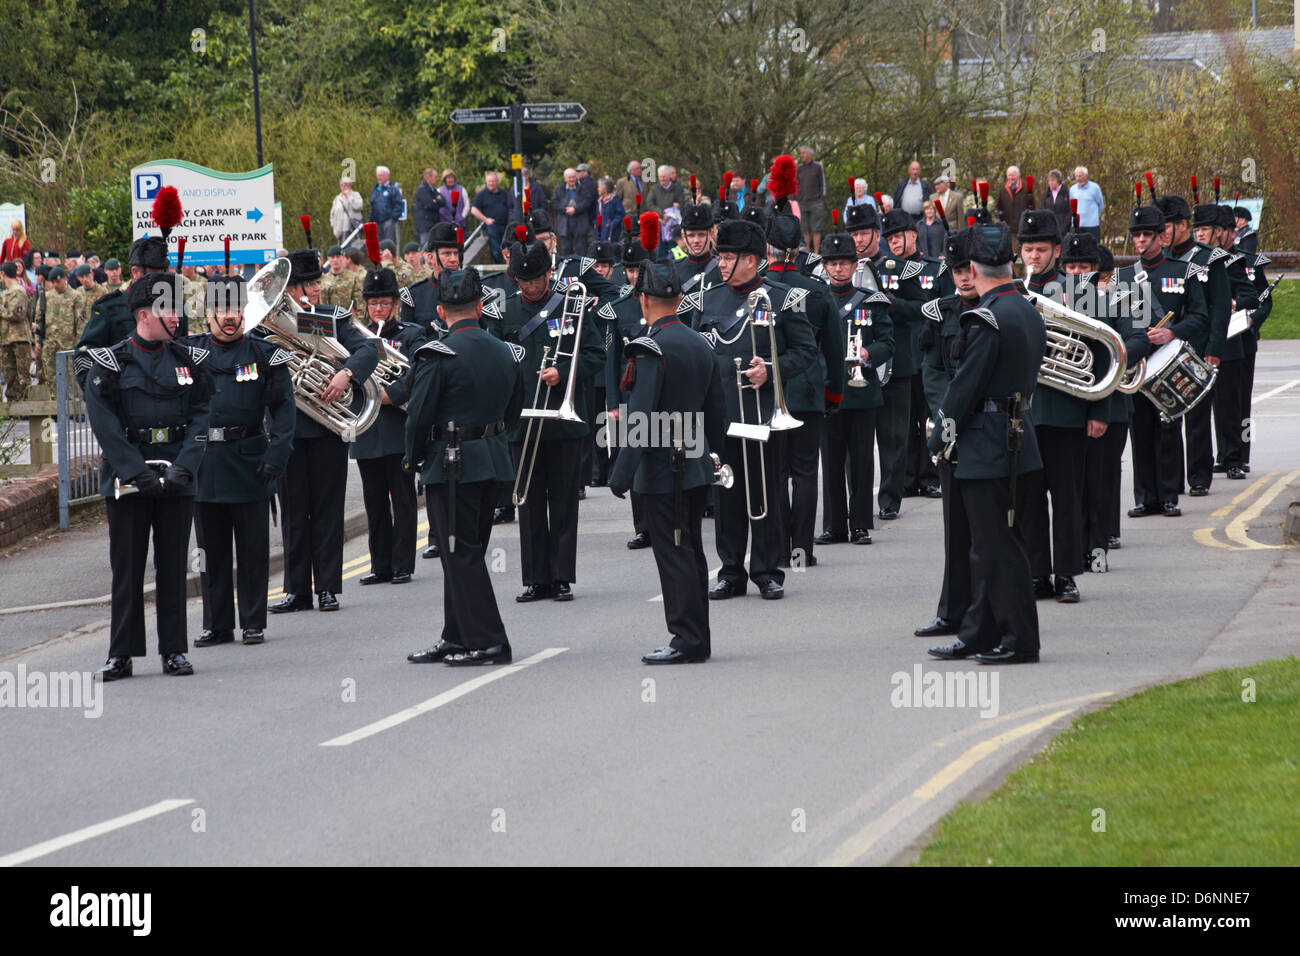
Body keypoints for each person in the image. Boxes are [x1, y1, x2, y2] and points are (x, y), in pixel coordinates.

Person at [81, 275, 212, 679]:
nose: (176, 316)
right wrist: (138, 474)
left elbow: (202, 415)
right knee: (127, 568)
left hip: (176, 474)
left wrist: (184, 466)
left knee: (173, 566)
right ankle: (121, 652)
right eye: (167, 309)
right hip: (129, 480)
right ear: (143, 315)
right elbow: (105, 427)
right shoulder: (110, 364)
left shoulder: (190, 360)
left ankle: (173, 649)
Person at [680, 218, 817, 601]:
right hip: (721, 413)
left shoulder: (783, 297)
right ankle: (730, 571)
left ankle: (767, 571)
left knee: (768, 491)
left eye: (728, 257)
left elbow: (806, 352)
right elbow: (696, 353)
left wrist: (771, 370)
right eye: (720, 256)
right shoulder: (705, 300)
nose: (720, 264)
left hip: (762, 411)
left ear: (752, 259)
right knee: (726, 491)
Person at [926, 222, 1043, 664]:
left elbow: (963, 389)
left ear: (973, 269)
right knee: (994, 545)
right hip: (1017, 438)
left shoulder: (985, 317)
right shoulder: (1026, 308)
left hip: (987, 446)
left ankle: (1019, 640)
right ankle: (980, 631)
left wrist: (940, 436)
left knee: (996, 548)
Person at [609, 259, 728, 664]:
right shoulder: (699, 343)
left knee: (674, 552)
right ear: (679, 299)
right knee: (691, 549)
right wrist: (713, 455)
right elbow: (717, 413)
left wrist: (621, 475)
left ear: (643, 301)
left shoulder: (651, 347)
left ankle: (685, 639)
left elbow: (640, 415)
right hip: (693, 462)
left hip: (663, 468)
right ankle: (697, 636)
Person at [404, 268, 525, 667]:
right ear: (478, 307)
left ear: (440, 310)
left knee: (460, 554)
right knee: (465, 552)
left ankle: (491, 641)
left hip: (453, 464)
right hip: (491, 460)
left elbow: (418, 417)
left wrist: (414, 457)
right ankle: (455, 635)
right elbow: (514, 409)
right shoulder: (504, 350)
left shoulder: (437, 354)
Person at [482, 229, 605, 602]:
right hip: (523, 421)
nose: (531, 287)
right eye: (524, 281)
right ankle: (536, 577)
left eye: (537, 279)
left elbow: (596, 355)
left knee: (564, 501)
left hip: (564, 420)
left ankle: (562, 576)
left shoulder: (572, 305)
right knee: (530, 502)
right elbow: (495, 363)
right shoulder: (504, 313)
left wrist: (564, 373)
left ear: (549, 274)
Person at [266, 239, 380, 614]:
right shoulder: (268, 325)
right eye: (308, 284)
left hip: (329, 430)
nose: (316, 289)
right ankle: (296, 590)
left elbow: (369, 349)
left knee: (328, 510)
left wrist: (346, 374)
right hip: (289, 430)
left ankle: (327, 587)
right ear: (290, 289)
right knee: (294, 511)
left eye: (316, 283)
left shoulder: (331, 315)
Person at [189, 268, 295, 647]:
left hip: (251, 462)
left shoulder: (266, 355)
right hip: (204, 465)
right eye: (222, 308)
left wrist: (277, 456)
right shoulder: (190, 354)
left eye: (236, 307)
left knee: (252, 551)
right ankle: (217, 624)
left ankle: (253, 621)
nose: (230, 316)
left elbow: (284, 410)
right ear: (209, 314)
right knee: (211, 553)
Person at [1017, 208, 1096, 604]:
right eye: (1028, 249)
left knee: (1066, 496)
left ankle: (1066, 574)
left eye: (1042, 249)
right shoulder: (1013, 292)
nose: (1034, 256)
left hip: (1067, 408)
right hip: (1026, 413)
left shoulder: (1078, 290)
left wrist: (1098, 411)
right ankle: (1036, 573)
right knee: (1028, 497)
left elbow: (1099, 352)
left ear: (1057, 250)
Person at [1117, 202, 1208, 518]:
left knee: (1168, 428)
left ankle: (1169, 495)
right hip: (1137, 366)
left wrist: (1173, 334)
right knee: (1139, 430)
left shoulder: (1181, 272)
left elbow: (1200, 317)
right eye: (1136, 236)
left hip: (1169, 362)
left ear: (1161, 237)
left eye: (1146, 235)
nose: (1141, 241)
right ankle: (1146, 497)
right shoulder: (1124, 276)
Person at [766, 213, 844, 565]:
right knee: (805, 472)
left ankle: (780, 547)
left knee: (777, 473)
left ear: (767, 250)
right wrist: (834, 393)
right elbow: (834, 349)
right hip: (809, 389)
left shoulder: (760, 288)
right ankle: (802, 549)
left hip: (767, 389)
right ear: (798, 250)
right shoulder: (816, 290)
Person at [913, 226, 979, 637]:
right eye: (956, 270)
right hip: (953, 433)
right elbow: (932, 372)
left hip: (989, 429)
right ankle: (951, 612)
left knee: (992, 531)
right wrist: (945, 418)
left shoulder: (997, 309)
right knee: (955, 529)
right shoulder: (938, 312)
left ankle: (987, 611)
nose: (964, 277)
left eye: (969, 268)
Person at [816, 231, 893, 549]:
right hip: (829, 392)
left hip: (862, 393)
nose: (838, 270)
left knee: (862, 461)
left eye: (844, 263)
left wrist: (868, 354)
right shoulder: (817, 300)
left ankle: (860, 524)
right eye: (832, 264)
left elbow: (888, 343)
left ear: (855, 265)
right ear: (825, 267)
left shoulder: (871, 300)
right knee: (831, 462)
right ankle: (834, 526)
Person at [351, 265, 424, 586]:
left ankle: (403, 564)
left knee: (404, 499)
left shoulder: (411, 334)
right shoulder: (357, 337)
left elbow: (416, 374)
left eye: (384, 303)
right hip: (368, 431)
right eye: (373, 303)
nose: (378, 309)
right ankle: (380, 564)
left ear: (395, 304)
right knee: (375, 502)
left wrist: (390, 396)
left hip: (397, 428)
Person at [876, 209, 949, 512]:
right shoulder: (882, 269)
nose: (894, 242)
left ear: (914, 234)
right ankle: (906, 477)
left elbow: (934, 307)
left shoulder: (934, 269)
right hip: (900, 353)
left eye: (899, 236)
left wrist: (898, 305)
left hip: (928, 353)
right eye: (890, 237)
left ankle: (930, 475)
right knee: (903, 423)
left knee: (928, 417)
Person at [1159, 192, 1230, 498]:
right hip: (1166, 351)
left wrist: (1214, 349)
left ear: (1183, 225)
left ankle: (1199, 476)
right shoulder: (1160, 262)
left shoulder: (1208, 259)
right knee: (1167, 417)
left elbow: (1219, 309)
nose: (1161, 233)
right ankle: (1170, 481)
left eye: (1166, 226)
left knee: (1198, 417)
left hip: (1199, 348)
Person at [601, 223, 654, 547]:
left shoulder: (664, 301)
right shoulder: (618, 310)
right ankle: (642, 526)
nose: (634, 276)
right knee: (635, 457)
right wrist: (611, 402)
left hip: (661, 391)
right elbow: (611, 360)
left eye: (638, 269)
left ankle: (663, 519)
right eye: (629, 270)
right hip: (629, 391)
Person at [36, 266, 77, 389]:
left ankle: (70, 404)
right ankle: (54, 403)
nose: (55, 285)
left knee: (70, 378)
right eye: (52, 282)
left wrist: (80, 344)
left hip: (69, 344)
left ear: (65, 278)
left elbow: (80, 323)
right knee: (51, 377)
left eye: (58, 282)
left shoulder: (75, 296)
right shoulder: (46, 297)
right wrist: (38, 340)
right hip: (50, 343)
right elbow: (39, 320)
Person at [0, 262, 32, 402]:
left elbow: (17, 314)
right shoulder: (4, 294)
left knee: (23, 373)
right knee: (9, 374)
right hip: (6, 338)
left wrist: (1, 309)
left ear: (3, 274)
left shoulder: (19, 291)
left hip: (19, 337)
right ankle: (13, 404)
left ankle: (24, 403)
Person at [554, 167, 594, 256]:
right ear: (565, 179)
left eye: (573, 177)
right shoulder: (559, 189)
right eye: (569, 177)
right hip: (565, 226)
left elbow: (588, 202)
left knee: (581, 250)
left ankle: (581, 269)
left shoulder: (583, 189)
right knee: (566, 250)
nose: (572, 179)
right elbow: (554, 203)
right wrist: (565, 210)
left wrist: (575, 209)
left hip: (580, 225)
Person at [471, 171, 510, 263]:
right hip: (492, 226)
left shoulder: (503, 193)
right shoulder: (482, 194)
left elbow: (509, 207)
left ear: (497, 182)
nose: (491, 183)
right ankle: (500, 268)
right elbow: (473, 210)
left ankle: (508, 267)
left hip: (504, 225)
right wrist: (485, 219)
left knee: (507, 248)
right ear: (486, 182)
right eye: (489, 181)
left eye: (493, 181)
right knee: (496, 250)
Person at [796, 146, 827, 253]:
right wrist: (797, 198)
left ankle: (817, 252)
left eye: (804, 153)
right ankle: (807, 252)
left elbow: (823, 183)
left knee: (816, 229)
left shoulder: (818, 166)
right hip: (802, 202)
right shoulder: (799, 168)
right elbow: (796, 184)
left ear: (810, 154)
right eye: (801, 153)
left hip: (816, 202)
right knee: (804, 229)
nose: (801, 155)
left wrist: (821, 199)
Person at [994, 166, 1035, 241]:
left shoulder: (1027, 187)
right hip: (1010, 228)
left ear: (1018, 175)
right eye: (1009, 175)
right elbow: (999, 207)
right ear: (1007, 177)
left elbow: (1033, 206)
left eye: (1013, 175)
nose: (1011, 177)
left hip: (1024, 227)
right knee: (1013, 250)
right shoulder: (1003, 189)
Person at [413, 168, 447, 249]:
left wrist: (436, 201)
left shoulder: (433, 189)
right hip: (425, 225)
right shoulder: (422, 190)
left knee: (433, 247)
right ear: (428, 177)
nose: (437, 179)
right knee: (426, 247)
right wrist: (435, 200)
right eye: (435, 177)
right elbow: (430, 204)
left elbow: (443, 201)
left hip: (433, 223)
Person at [1068, 167, 1104, 241]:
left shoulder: (1095, 188)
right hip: (1077, 226)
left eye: (1080, 176)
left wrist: (1092, 215)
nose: (1077, 178)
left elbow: (1100, 205)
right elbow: (1071, 206)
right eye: (1076, 176)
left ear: (1086, 176)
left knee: (1092, 249)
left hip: (1092, 226)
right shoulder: (1072, 189)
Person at [369, 167, 403, 244]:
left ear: (387, 176)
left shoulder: (393, 189)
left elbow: (398, 205)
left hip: (388, 223)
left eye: (381, 175)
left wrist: (392, 219)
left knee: (388, 245)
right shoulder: (375, 189)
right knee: (378, 247)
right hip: (376, 223)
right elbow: (372, 205)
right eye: (378, 175)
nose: (379, 177)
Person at [330, 176, 364, 244]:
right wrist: (334, 226)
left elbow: (358, 206)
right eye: (342, 185)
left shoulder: (356, 195)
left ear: (350, 186)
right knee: (343, 251)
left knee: (356, 249)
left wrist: (349, 197)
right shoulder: (337, 199)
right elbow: (332, 215)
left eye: (346, 185)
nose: (344, 187)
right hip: (341, 231)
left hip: (354, 229)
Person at [594, 177, 626, 244]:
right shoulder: (600, 201)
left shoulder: (615, 200)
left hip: (612, 234)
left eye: (599, 187)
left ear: (605, 189)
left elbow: (621, 214)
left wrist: (612, 224)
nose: (598, 189)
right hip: (601, 233)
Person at [1042, 169, 1072, 237]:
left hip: (1063, 230)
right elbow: (1043, 210)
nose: (1050, 183)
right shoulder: (1046, 194)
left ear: (1058, 181)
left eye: (1052, 180)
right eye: (1049, 181)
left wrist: (1064, 228)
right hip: (1049, 230)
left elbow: (1069, 212)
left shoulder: (1066, 193)